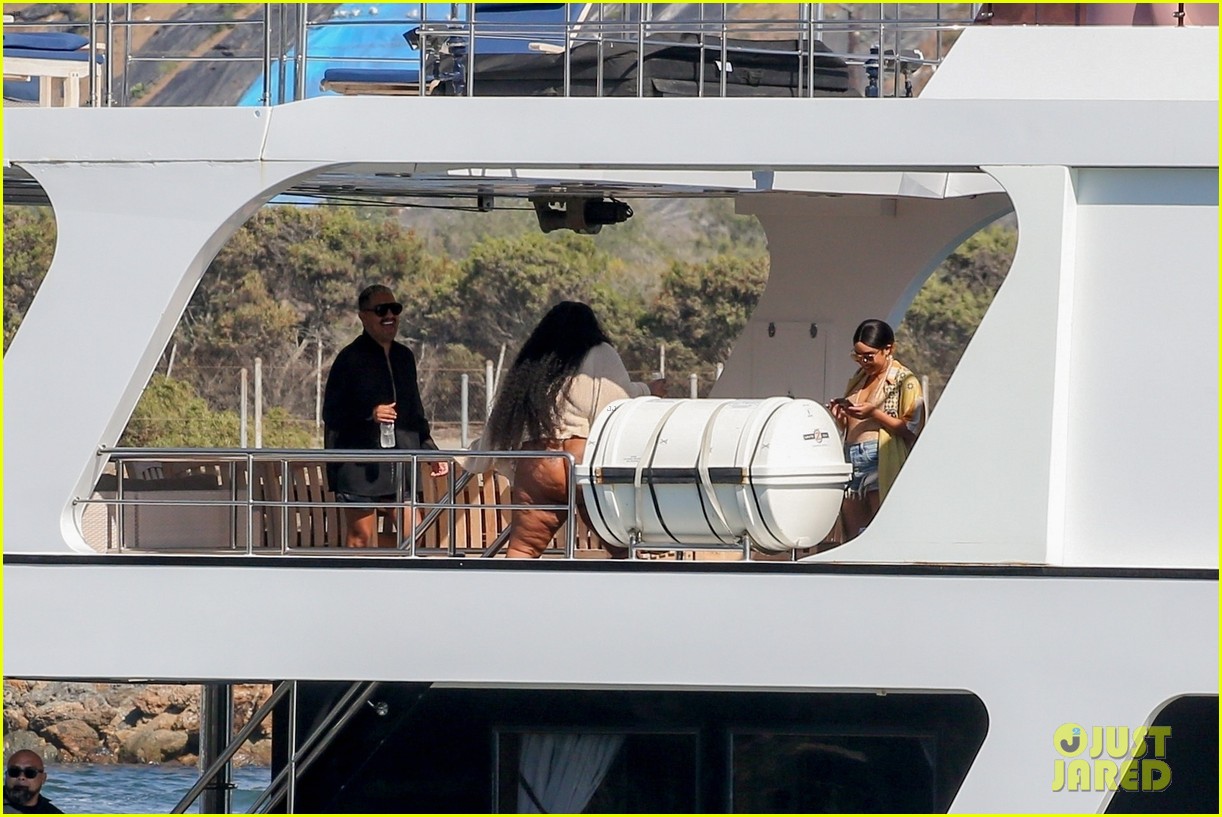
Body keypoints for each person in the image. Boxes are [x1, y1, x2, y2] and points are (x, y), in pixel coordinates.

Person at [481, 301, 665, 558]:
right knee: (623, 549)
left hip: (536, 463)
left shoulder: (533, 360)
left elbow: (505, 410)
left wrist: (478, 455)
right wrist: (648, 391)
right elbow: (617, 399)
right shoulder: (600, 352)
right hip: (579, 462)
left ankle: (509, 596)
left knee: (523, 549)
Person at [323, 284, 449, 548]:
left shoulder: (405, 357)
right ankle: (357, 586)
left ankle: (399, 585)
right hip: (359, 469)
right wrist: (370, 414)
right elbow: (332, 413)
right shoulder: (349, 358)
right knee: (361, 539)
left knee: (414, 534)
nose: (389, 315)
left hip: (400, 467)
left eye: (395, 309)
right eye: (381, 310)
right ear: (363, 316)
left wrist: (430, 451)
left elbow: (414, 412)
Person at [828, 319, 923, 540]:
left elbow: (913, 429)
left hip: (880, 456)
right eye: (858, 356)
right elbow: (852, 423)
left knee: (880, 530)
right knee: (852, 534)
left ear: (888, 348)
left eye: (869, 356)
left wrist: (874, 414)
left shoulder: (904, 381)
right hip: (851, 456)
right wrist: (841, 415)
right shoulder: (860, 378)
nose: (863, 361)